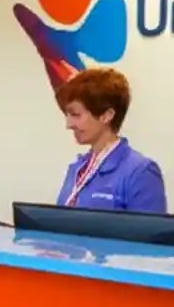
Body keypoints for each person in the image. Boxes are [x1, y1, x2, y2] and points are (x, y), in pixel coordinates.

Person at [54, 67, 167, 213]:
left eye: (76, 115)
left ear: (106, 116)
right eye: (67, 115)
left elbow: (151, 233)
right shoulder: (77, 170)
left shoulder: (140, 172)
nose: (68, 125)